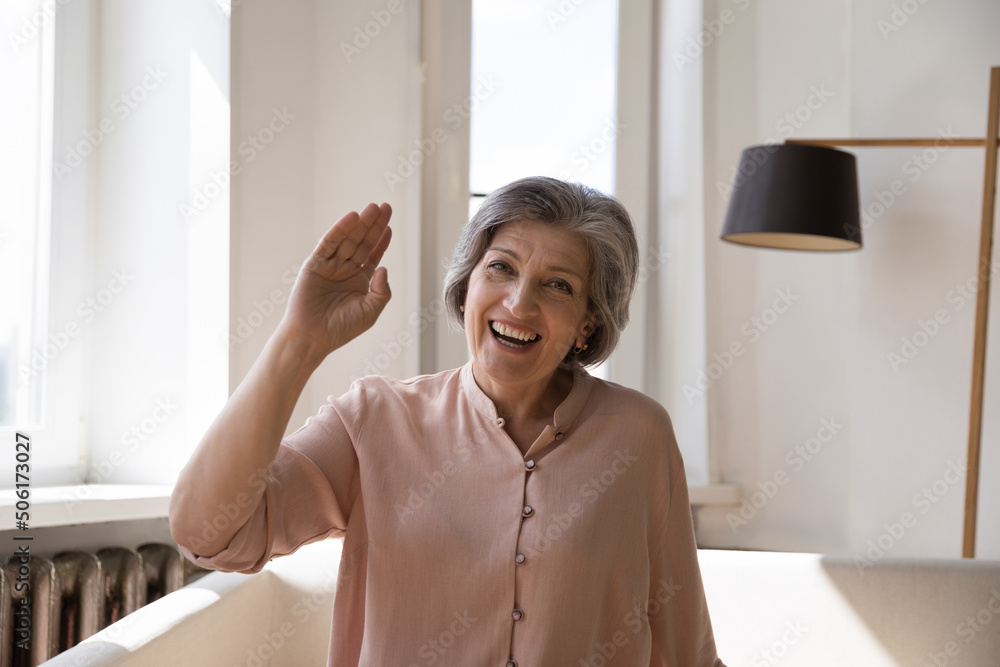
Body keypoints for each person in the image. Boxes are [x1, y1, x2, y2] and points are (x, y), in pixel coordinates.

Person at [169, 176, 725, 666]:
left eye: (558, 285)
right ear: (466, 287)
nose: (520, 303)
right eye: (501, 267)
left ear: (588, 323)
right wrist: (299, 342)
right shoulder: (375, 419)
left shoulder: (639, 434)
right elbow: (210, 536)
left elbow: (686, 650)